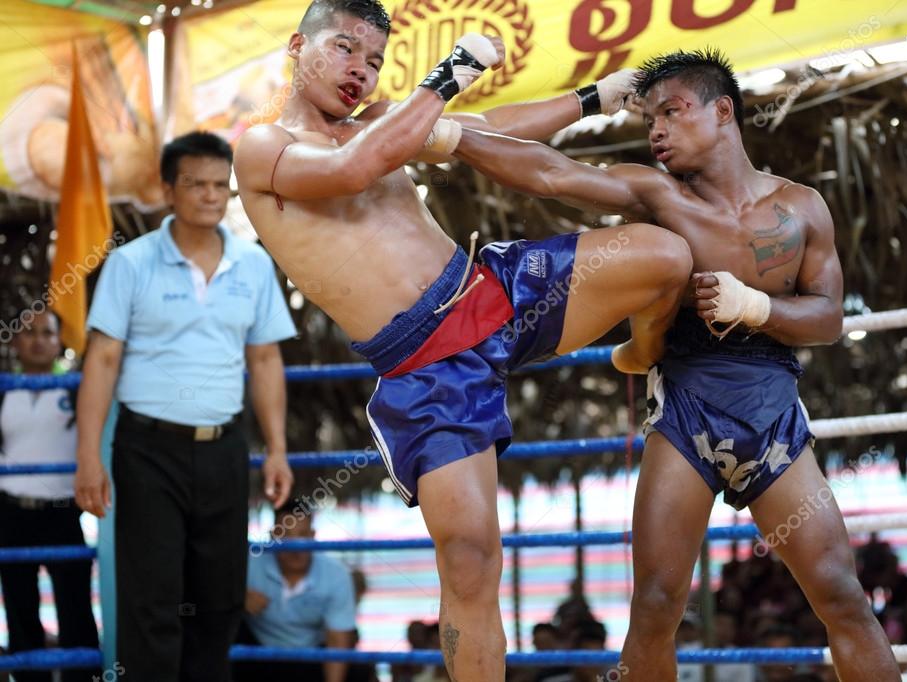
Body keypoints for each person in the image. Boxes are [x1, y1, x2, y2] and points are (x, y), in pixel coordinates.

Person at [233, 1, 694, 679]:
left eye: (373, 59)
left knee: (665, 255)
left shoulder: (385, 121)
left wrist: (594, 97)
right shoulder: (262, 147)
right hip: (427, 365)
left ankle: (645, 353)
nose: (360, 70)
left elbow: (491, 131)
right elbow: (350, 171)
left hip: (494, 291)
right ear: (299, 46)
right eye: (344, 49)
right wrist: (447, 77)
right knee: (472, 560)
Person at [449, 49, 900, 680]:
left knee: (841, 593)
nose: (657, 129)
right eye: (649, 118)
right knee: (657, 606)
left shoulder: (801, 208)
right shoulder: (656, 194)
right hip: (685, 410)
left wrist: (756, 306)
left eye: (673, 111)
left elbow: (827, 319)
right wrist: (449, 136)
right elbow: (549, 172)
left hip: (772, 412)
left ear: (723, 111)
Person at [73, 131, 297, 682]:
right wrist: (88, 457)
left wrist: (277, 450)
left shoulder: (253, 264)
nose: (211, 195)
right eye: (196, 184)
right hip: (146, 450)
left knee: (220, 597)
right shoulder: (130, 264)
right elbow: (102, 359)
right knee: (150, 598)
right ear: (168, 189)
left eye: (221, 185)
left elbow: (265, 359)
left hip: (224, 449)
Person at [0, 310, 100, 682]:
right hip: (12, 513)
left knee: (76, 611)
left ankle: (84, 680)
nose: (39, 340)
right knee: (20, 612)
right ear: (16, 340)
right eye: (30, 332)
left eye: (47, 332)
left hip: (62, 513)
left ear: (60, 340)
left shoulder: (77, 390)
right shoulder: (3, 389)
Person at [236, 501, 357, 682]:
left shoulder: (335, 575)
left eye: (302, 535)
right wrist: (238, 598)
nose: (295, 547)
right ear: (273, 536)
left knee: (357, 667)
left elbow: (337, 641)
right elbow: (208, 596)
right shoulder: (248, 564)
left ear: (313, 536)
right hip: (258, 655)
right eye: (286, 535)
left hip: (311, 657)